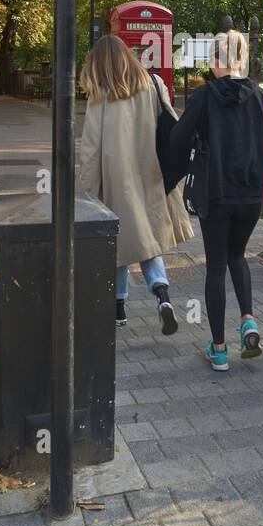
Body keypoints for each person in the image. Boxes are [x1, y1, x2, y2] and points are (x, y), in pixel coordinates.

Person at [169, 30, 263, 371]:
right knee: (237, 255)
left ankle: (219, 348)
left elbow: (178, 138)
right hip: (251, 194)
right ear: (241, 60)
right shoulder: (260, 96)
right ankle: (249, 319)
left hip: (217, 193)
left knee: (215, 266)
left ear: (214, 61)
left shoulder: (205, 95)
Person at [78, 35, 191, 333]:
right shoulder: (152, 84)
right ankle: (162, 294)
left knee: (119, 242)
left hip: (117, 182)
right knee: (145, 239)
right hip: (150, 175)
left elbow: (90, 150)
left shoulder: (100, 95)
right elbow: (171, 124)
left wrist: (86, 195)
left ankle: (118, 308)